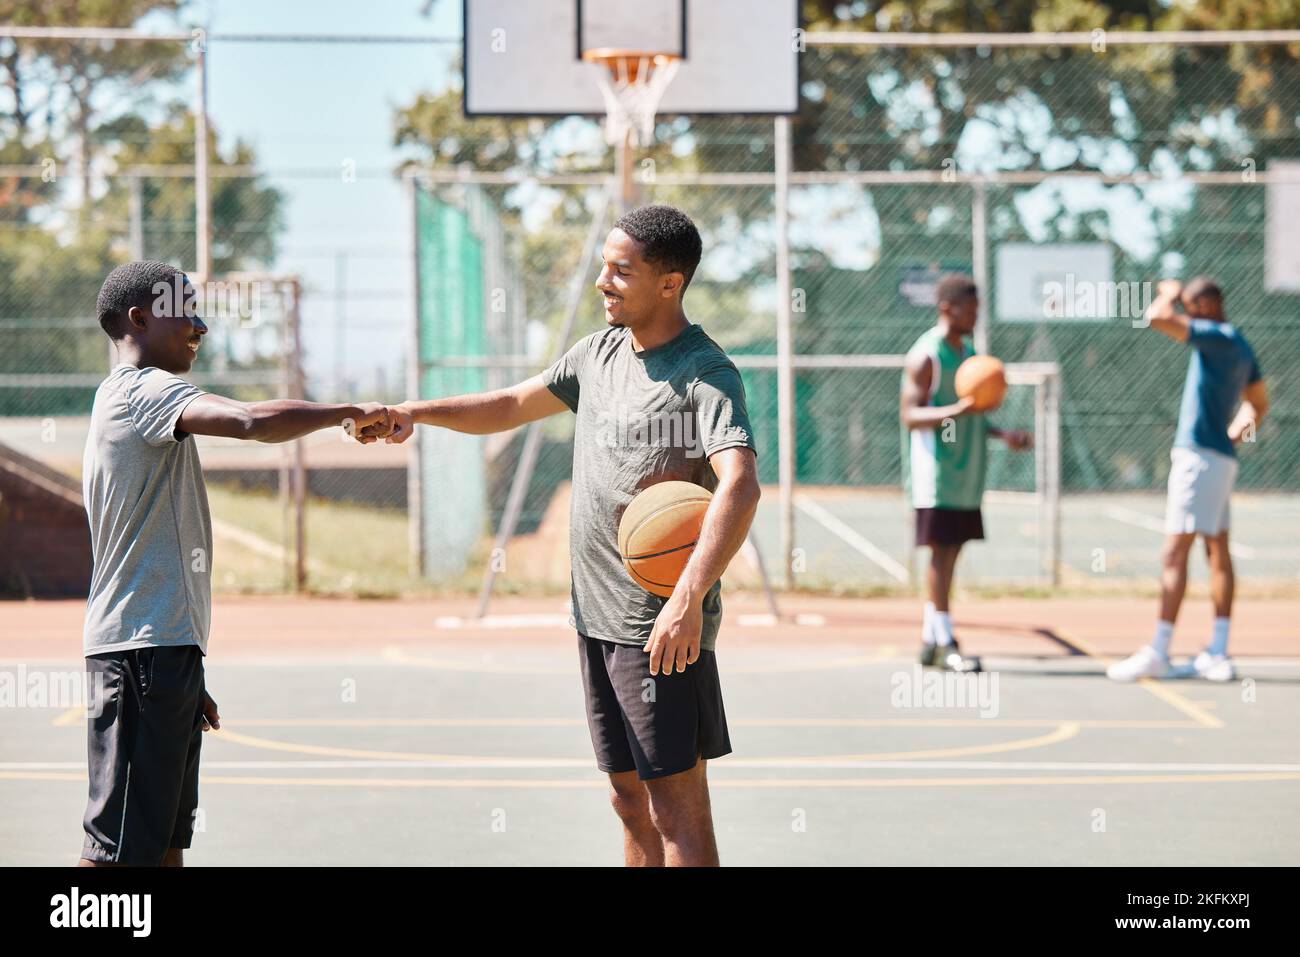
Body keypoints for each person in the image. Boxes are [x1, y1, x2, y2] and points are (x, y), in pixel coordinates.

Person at [375, 206, 760, 866]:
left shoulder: (704, 371)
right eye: (603, 267)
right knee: (627, 797)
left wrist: (688, 596)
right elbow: (511, 404)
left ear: (670, 283)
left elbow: (741, 484)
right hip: (597, 616)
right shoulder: (599, 352)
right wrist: (414, 412)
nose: (602, 282)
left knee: (677, 809)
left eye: (620, 270)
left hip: (660, 626)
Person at [80, 261, 390, 866]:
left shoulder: (137, 400)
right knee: (115, 854)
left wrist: (183, 667)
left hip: (161, 652)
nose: (199, 326)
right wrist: (344, 412)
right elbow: (249, 422)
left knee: (167, 847)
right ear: (139, 320)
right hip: (138, 654)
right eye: (185, 313)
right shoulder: (141, 390)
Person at [1107, 277, 1268, 683]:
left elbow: (1156, 317)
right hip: (1219, 458)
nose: (1186, 312)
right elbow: (1259, 405)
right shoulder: (1240, 343)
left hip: (1199, 457)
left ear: (1209, 306)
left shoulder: (1214, 334)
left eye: (1192, 306)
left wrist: (1170, 292)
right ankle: (1217, 649)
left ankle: (1160, 650)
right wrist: (1234, 437)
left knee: (1175, 552)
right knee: (1217, 550)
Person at [899, 274, 1032, 673]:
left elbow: (973, 416)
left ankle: (930, 637)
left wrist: (1002, 433)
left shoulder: (971, 354)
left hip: (966, 474)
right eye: (969, 309)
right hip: (935, 475)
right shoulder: (927, 356)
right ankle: (946, 642)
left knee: (952, 554)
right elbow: (910, 416)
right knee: (941, 555)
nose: (975, 316)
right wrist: (957, 410)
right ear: (947, 309)